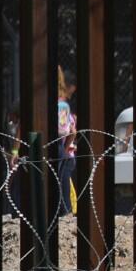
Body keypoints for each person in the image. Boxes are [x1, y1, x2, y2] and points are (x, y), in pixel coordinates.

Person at [56, 72, 79, 217]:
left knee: (63, 179)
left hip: (59, 145)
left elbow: (64, 130)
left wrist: (64, 148)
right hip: (63, 147)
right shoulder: (63, 105)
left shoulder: (62, 106)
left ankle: (65, 210)